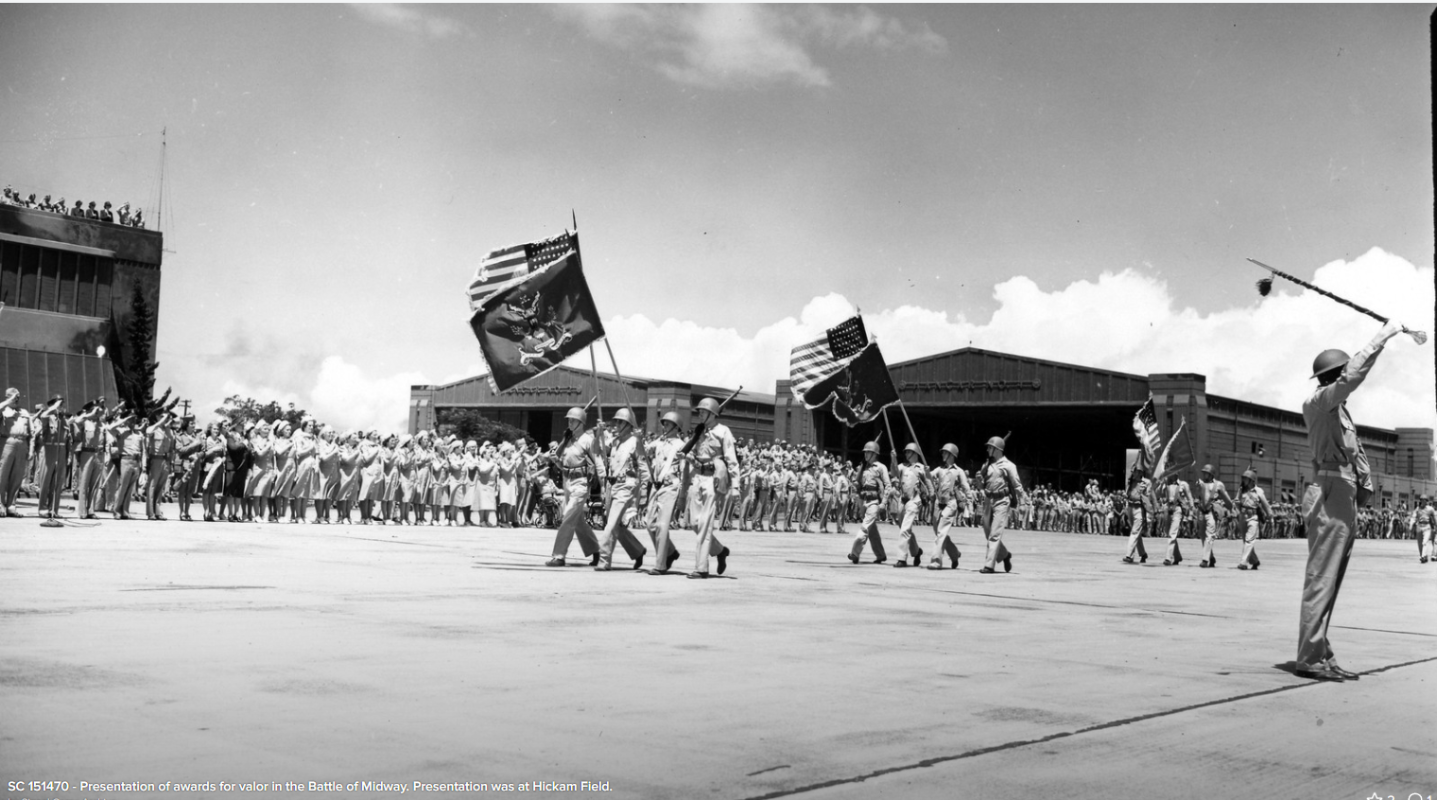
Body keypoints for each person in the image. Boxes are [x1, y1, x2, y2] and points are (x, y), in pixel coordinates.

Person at [1296, 318, 1408, 682]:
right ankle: (1309, 657)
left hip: (1343, 494)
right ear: (1336, 376)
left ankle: (1320, 651)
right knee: (1321, 577)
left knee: (1332, 579)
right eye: (1344, 372)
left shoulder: (1339, 410)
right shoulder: (1320, 402)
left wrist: (1365, 486)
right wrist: (1381, 337)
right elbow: (1353, 377)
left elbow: (1355, 452)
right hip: (1329, 492)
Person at [681, 397, 734, 579]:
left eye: (703, 412)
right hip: (698, 477)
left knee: (704, 524)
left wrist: (735, 487)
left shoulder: (723, 431)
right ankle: (720, 551)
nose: (700, 414)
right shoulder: (699, 431)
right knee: (695, 523)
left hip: (714, 478)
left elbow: (731, 459)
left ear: (712, 414)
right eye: (699, 412)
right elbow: (695, 453)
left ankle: (701, 568)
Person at [594, 408, 652, 571]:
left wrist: (644, 493)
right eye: (616, 421)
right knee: (616, 525)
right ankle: (637, 550)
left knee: (610, 525)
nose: (616, 424)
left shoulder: (636, 441)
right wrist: (599, 433)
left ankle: (604, 559)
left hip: (626, 486)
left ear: (628, 424)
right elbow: (596, 451)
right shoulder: (615, 441)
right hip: (611, 486)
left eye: (620, 422)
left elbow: (643, 467)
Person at [546, 407, 604, 566]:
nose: (569, 422)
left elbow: (598, 462)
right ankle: (595, 549)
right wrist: (556, 461)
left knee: (567, 518)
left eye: (572, 420)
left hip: (581, 484)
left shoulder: (588, 440)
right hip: (567, 482)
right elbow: (564, 465)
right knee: (577, 520)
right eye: (569, 420)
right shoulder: (568, 440)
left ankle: (559, 556)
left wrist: (604, 485)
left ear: (581, 422)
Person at [644, 411, 686, 575]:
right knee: (649, 524)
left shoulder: (681, 445)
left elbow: (683, 471)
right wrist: (639, 438)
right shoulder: (659, 443)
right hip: (657, 486)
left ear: (676, 427)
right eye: (664, 424)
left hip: (670, 486)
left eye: (667, 424)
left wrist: (681, 495)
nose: (664, 427)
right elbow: (645, 451)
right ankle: (670, 551)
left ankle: (660, 564)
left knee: (662, 526)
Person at [977, 435, 1025, 574]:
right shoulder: (986, 465)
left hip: (1002, 501)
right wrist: (979, 480)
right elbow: (981, 485)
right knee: (987, 531)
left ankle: (989, 565)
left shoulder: (1009, 466)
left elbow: (1017, 485)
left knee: (994, 533)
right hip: (988, 500)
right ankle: (1004, 555)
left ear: (997, 449)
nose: (987, 450)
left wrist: (1022, 503)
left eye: (990, 448)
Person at [847, 440, 891, 564]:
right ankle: (881, 555)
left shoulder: (881, 467)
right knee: (872, 532)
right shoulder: (863, 467)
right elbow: (859, 484)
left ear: (874, 454)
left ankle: (854, 553)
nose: (865, 455)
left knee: (865, 528)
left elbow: (888, 486)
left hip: (874, 502)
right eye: (865, 452)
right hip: (864, 501)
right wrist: (856, 484)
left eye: (868, 452)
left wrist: (884, 503)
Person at [928, 443, 969, 570]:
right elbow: (929, 475)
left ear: (952, 455)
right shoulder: (939, 469)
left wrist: (969, 503)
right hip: (938, 504)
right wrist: (925, 471)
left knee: (940, 532)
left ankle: (936, 560)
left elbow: (966, 487)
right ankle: (954, 554)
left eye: (945, 453)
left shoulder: (958, 471)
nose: (943, 455)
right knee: (939, 532)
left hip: (951, 504)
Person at [892, 443, 931, 568]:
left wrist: (931, 495)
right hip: (902, 500)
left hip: (914, 500)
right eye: (906, 452)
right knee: (905, 529)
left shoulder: (920, 467)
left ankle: (902, 559)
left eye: (909, 452)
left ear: (915, 453)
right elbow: (894, 472)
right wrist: (893, 459)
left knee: (904, 529)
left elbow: (929, 482)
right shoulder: (903, 466)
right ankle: (916, 551)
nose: (906, 454)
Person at [0, 388, 32, 516]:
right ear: (8, 397)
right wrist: (8, 401)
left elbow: (32, 433)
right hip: (7, 442)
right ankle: (1, 504)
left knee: (17, 476)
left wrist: (30, 449)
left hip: (22, 443)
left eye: (18, 397)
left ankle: (11, 505)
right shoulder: (3, 410)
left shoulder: (24, 412)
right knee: (2, 474)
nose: (17, 399)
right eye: (14, 397)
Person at [1196, 464, 1235, 568]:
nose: (1204, 475)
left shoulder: (1218, 484)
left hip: (1211, 511)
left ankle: (1205, 560)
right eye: (1203, 473)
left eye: (1206, 473)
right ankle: (1211, 557)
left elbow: (1226, 497)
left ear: (1211, 474)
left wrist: (1230, 506)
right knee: (1203, 537)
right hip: (1201, 511)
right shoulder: (1200, 483)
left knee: (1210, 535)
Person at [1235, 469, 1272, 570]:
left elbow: (1265, 505)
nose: (1244, 480)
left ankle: (1243, 563)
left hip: (1253, 517)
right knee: (1245, 541)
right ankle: (1255, 561)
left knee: (1249, 540)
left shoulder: (1259, 491)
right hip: (1243, 516)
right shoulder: (1241, 490)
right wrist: (1238, 513)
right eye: (1244, 478)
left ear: (1252, 480)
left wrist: (1270, 516)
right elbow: (1237, 502)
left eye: (1246, 479)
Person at [1121, 466, 1152, 564]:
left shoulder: (1146, 482)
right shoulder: (1130, 482)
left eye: (1134, 471)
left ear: (1139, 472)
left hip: (1139, 508)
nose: (1132, 473)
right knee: (1136, 533)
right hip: (1130, 507)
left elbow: (1148, 498)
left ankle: (1129, 555)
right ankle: (1143, 554)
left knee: (1135, 532)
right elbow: (1127, 495)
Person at [1412, 495, 1435, 564]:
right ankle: (1422, 555)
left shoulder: (1430, 509)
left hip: (1427, 526)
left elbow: (1434, 518)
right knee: (1419, 543)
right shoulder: (1417, 509)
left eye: (1425, 500)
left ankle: (1423, 556)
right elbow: (1413, 516)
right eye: (1422, 500)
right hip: (1419, 526)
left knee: (1424, 542)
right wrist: (1412, 523)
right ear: (1420, 500)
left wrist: (1435, 526)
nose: (1424, 501)